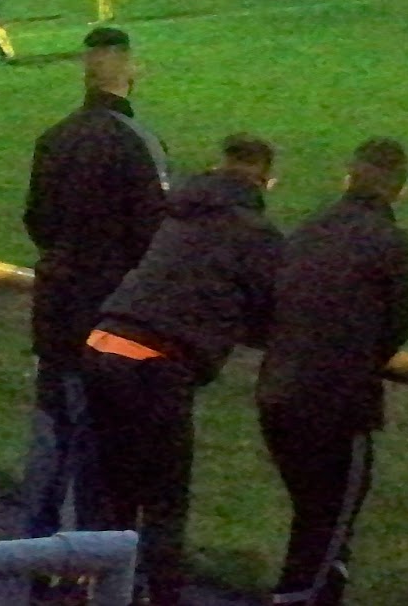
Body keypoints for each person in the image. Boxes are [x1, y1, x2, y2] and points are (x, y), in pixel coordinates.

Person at [83, 134, 283, 606]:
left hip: (103, 342)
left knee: (116, 491)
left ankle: (101, 588)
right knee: (165, 498)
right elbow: (273, 307)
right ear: (265, 180)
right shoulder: (256, 233)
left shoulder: (179, 209)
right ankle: (161, 594)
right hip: (155, 361)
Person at [21, 26, 168, 602]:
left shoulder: (53, 138)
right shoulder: (139, 142)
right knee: (96, 454)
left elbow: (36, 220)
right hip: (107, 320)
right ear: (129, 72)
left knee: (49, 441)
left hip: (52, 312)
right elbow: (152, 237)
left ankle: (36, 564)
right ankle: (83, 572)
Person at [258, 138, 408, 606]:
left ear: (348, 178)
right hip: (333, 407)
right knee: (326, 526)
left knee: (316, 521)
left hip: (275, 395)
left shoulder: (310, 228)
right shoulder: (392, 242)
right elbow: (396, 328)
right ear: (400, 190)